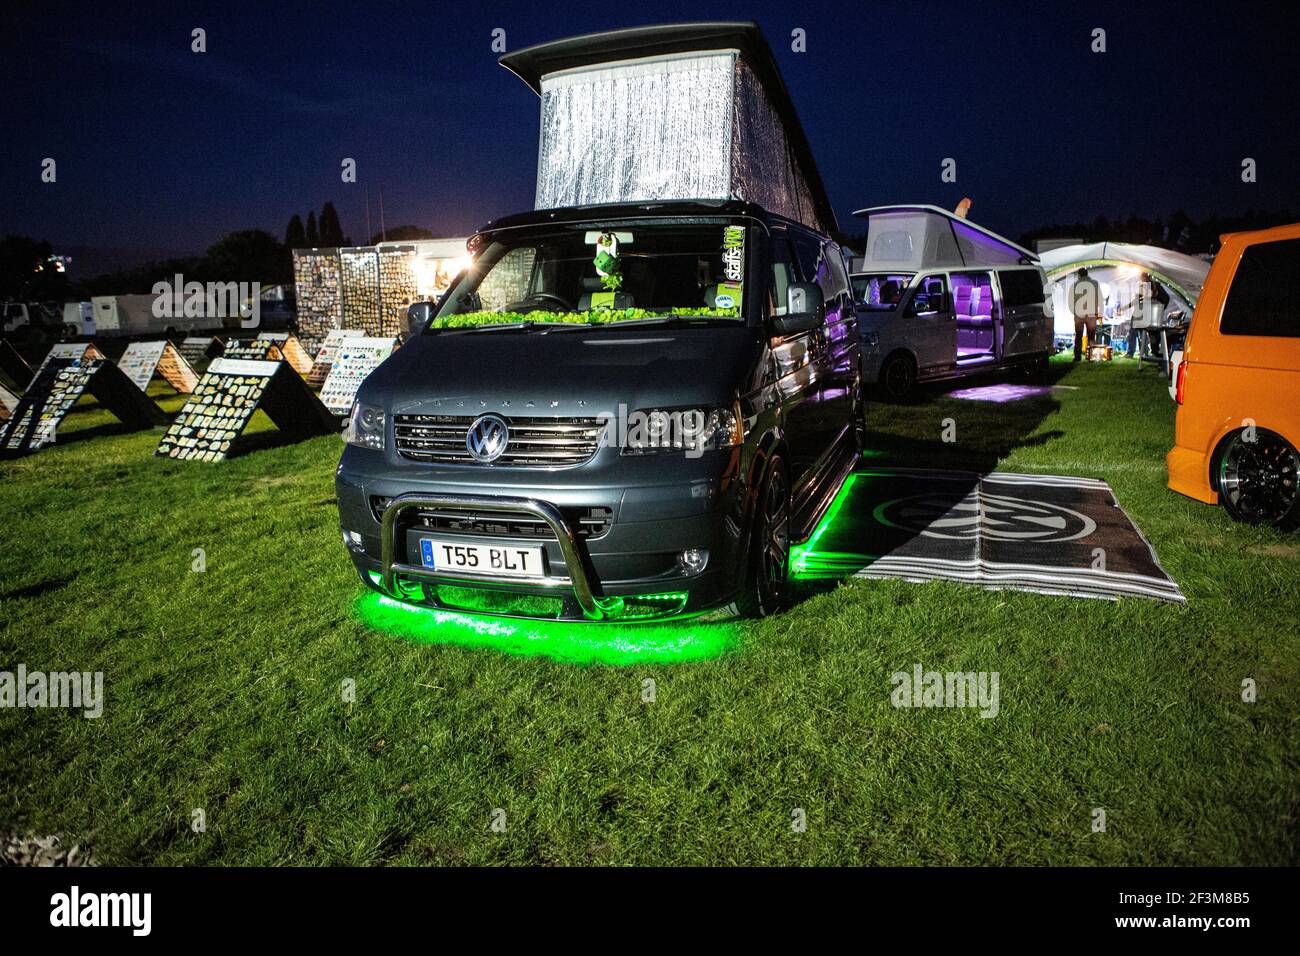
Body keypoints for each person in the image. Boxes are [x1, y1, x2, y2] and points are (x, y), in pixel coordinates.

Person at [1071, 268, 1101, 362]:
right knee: (1091, 336)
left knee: (1078, 335)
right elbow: (1099, 298)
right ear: (1087, 274)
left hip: (1079, 314)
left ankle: (1077, 357)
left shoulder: (1075, 285)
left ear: (1079, 275)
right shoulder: (1095, 283)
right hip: (1091, 313)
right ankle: (1091, 357)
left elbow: (1072, 300)